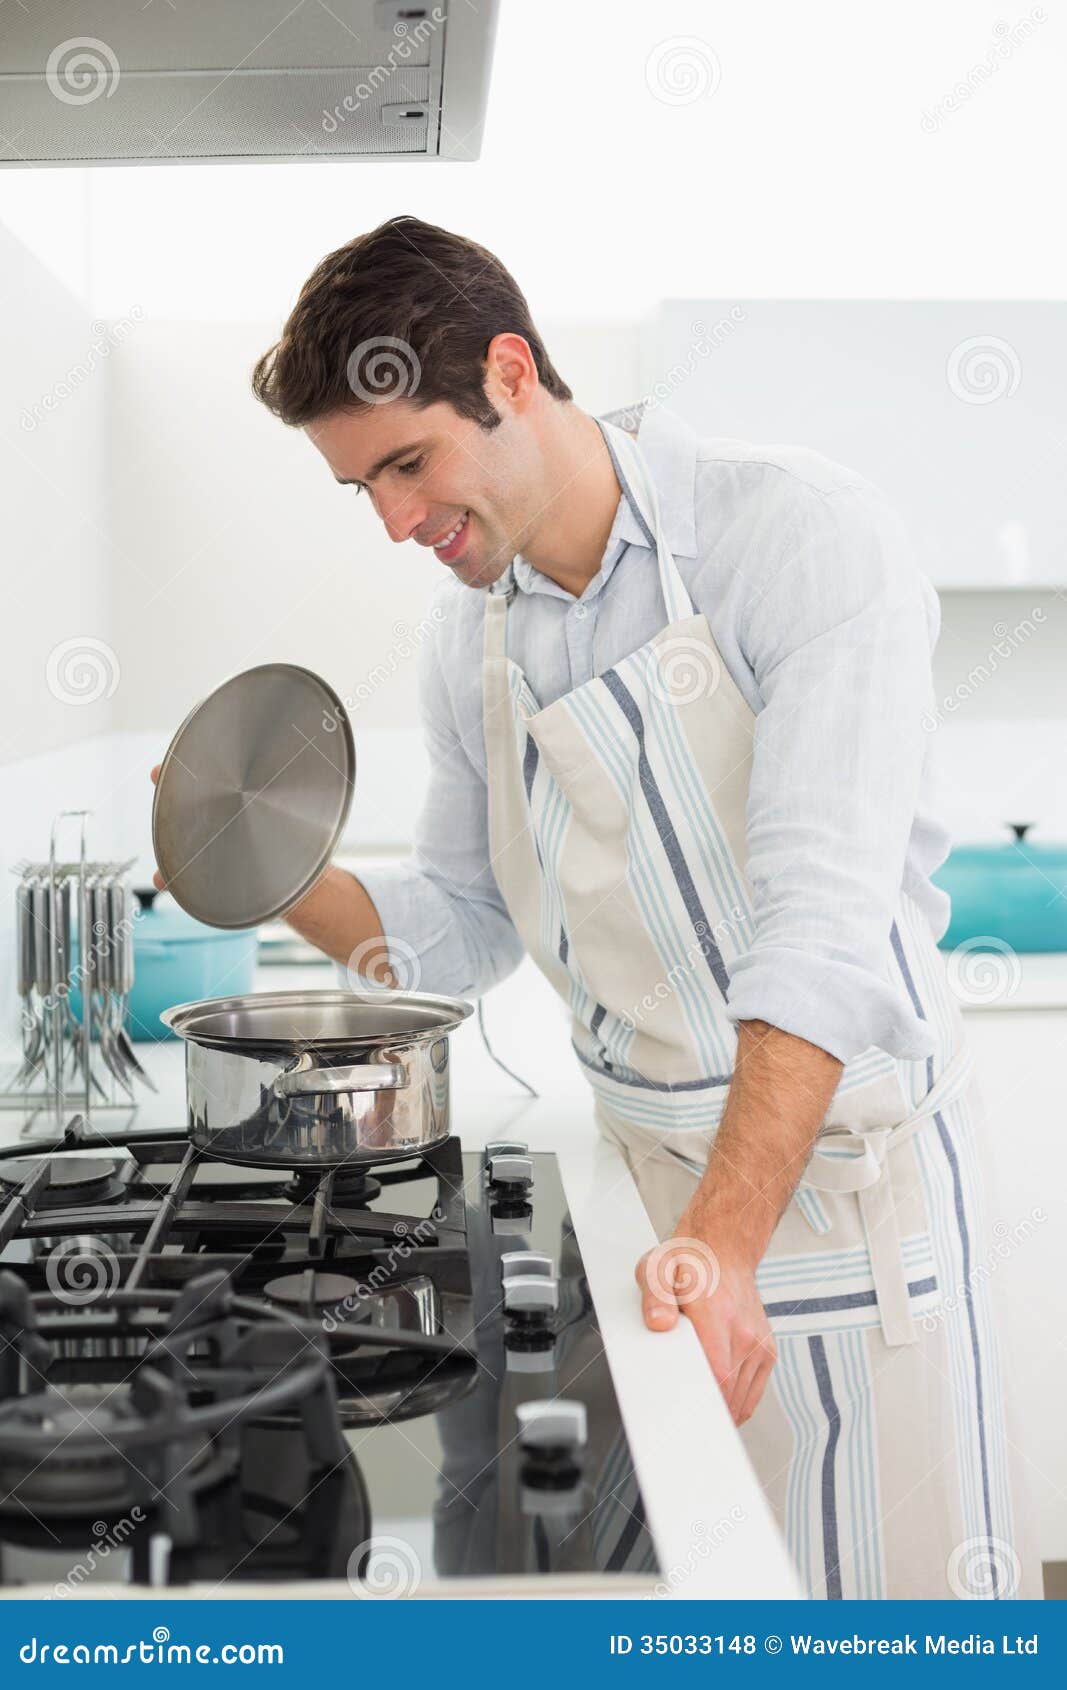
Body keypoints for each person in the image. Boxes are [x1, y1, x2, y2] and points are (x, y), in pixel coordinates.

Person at [181, 215, 1031, 1599]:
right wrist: (261, 854)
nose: (397, 521)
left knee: (888, 1617)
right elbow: (453, 930)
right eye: (364, 491)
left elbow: (821, 929)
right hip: (659, 1222)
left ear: (511, 373)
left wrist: (732, 1243)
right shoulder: (473, 644)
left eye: (408, 464)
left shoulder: (795, 539)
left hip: (837, 1209)